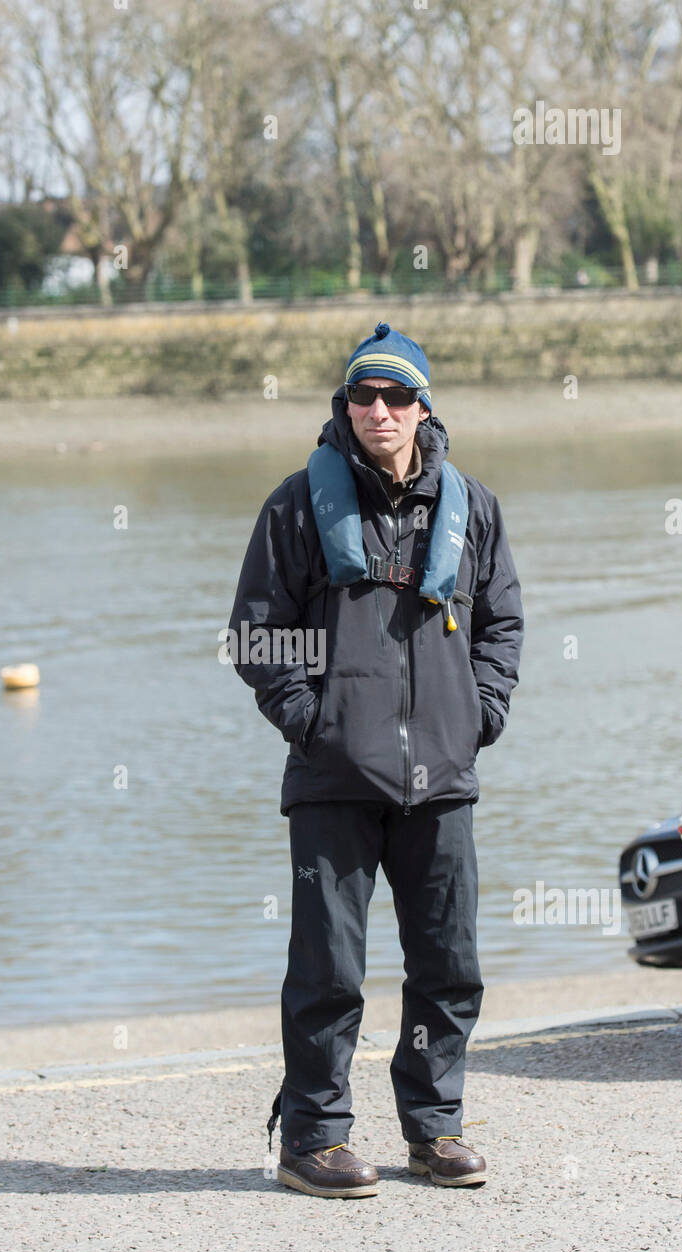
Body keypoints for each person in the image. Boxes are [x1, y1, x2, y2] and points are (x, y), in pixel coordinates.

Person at [227, 322, 524, 1197]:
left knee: (448, 963)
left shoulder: (472, 506)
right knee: (328, 968)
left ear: (423, 407)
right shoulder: (294, 505)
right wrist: (306, 720)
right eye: (364, 395)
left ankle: (434, 1128)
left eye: (396, 396)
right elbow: (255, 633)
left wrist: (481, 714)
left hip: (442, 776)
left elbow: (501, 625)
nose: (379, 411)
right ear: (344, 406)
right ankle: (313, 1141)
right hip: (332, 777)